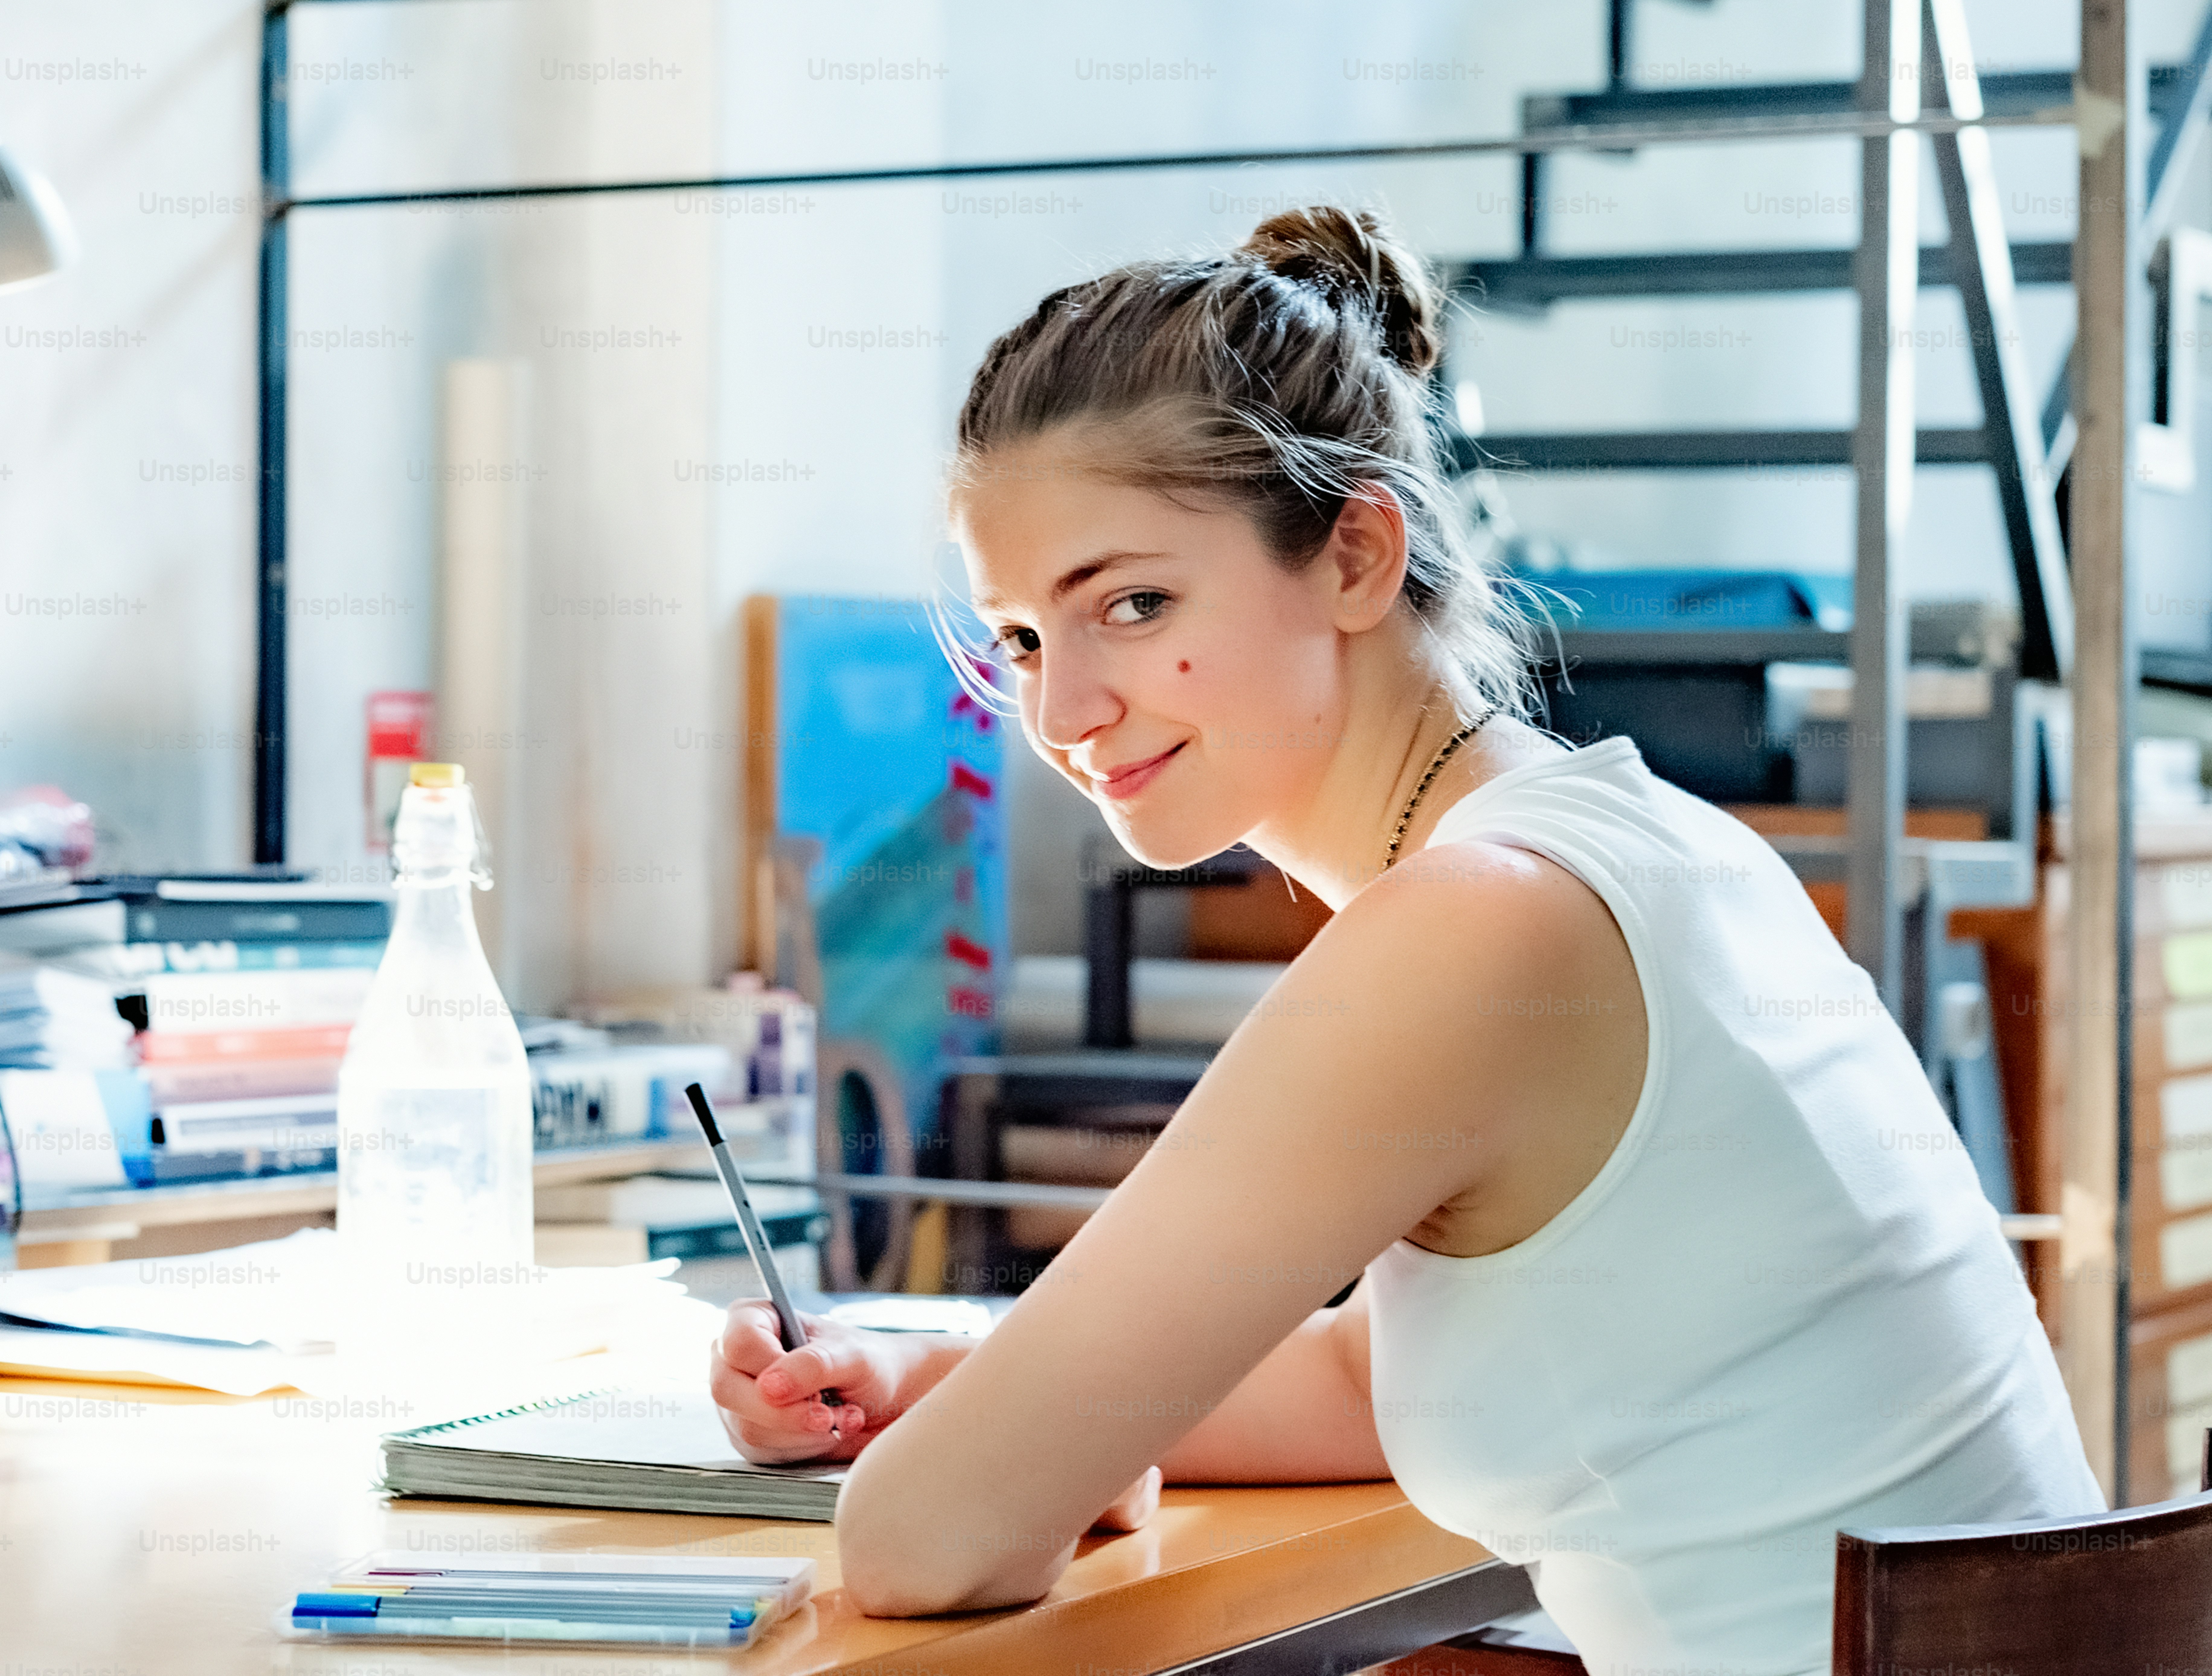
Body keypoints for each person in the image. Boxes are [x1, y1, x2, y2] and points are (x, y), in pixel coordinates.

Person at [708, 204, 2102, 1672]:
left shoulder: (1475, 926)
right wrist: (953, 1380)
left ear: (1358, 556)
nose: (1062, 713)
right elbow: (1375, 1380)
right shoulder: (1644, 842)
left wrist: (1020, 1464)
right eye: (1023, 640)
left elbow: (921, 1546)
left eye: (1134, 602)